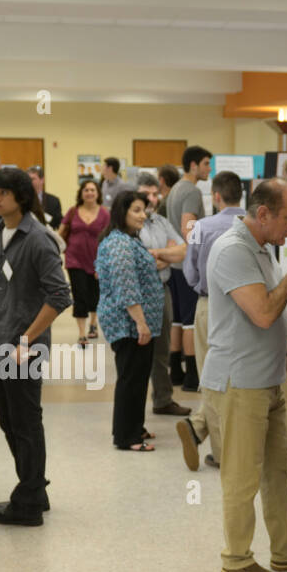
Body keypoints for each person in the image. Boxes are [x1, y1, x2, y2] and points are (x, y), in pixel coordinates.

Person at [200, 178, 287, 572]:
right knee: (242, 477)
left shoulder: (263, 248)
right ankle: (236, 558)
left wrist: (282, 358)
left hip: (265, 377)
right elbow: (264, 313)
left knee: (277, 472)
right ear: (263, 213)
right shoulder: (233, 250)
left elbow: (262, 315)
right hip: (239, 384)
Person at [0, 166, 73, 526]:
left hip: (24, 347)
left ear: (21, 197)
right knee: (9, 420)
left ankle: (29, 501)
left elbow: (60, 296)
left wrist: (25, 339)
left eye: (3, 192)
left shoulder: (38, 238)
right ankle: (35, 486)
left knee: (26, 422)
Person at [177, 169, 245, 471]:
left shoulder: (202, 227)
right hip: (248, 307)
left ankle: (213, 444)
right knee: (241, 378)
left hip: (210, 305)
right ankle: (204, 430)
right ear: (241, 194)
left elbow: (190, 272)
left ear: (215, 196)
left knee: (211, 377)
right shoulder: (253, 225)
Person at [96, 190, 163, 452]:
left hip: (134, 322)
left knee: (137, 376)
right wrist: (141, 323)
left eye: (143, 210)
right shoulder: (120, 243)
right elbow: (126, 286)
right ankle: (127, 437)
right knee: (131, 379)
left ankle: (135, 426)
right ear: (121, 213)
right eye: (136, 210)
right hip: (128, 323)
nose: (142, 215)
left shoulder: (127, 240)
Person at [136, 172, 190, 418]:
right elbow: (137, 260)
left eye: (154, 193)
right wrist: (163, 255)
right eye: (145, 193)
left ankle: (163, 399)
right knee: (137, 352)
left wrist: (156, 254)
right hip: (137, 295)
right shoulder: (129, 223)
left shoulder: (161, 222)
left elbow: (182, 250)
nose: (151, 198)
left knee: (162, 349)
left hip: (162, 290)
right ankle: (134, 410)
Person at [165, 145, 212, 390]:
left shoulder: (175, 189)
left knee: (177, 319)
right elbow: (188, 227)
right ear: (193, 165)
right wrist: (199, 255)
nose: (209, 169)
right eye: (206, 164)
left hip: (174, 265)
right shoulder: (192, 191)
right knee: (191, 321)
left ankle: (175, 371)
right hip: (187, 266)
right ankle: (193, 377)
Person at [59, 179, 108, 345]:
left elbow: (109, 239)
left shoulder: (104, 214)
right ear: (81, 193)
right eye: (86, 190)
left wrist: (105, 262)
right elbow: (61, 232)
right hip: (75, 259)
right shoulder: (73, 211)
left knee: (95, 295)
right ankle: (81, 334)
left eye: (92, 190)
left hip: (97, 260)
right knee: (79, 295)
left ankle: (93, 324)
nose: (89, 193)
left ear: (98, 193)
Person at [27, 165, 63, 230]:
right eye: (28, 179)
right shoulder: (22, 200)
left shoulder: (54, 201)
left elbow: (58, 222)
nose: (29, 181)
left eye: (32, 179)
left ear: (42, 180)